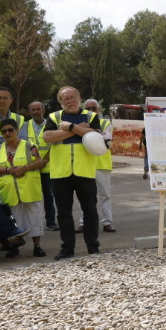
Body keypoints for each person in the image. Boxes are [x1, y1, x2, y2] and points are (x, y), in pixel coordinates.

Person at [41, 87, 103, 258]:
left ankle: (93, 247)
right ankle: (67, 249)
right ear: (60, 102)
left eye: (72, 97)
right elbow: (47, 137)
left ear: (79, 98)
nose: (69, 101)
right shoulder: (54, 117)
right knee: (63, 213)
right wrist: (75, 130)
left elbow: (96, 135)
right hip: (61, 173)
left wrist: (70, 127)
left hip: (85, 171)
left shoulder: (91, 116)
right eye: (65, 98)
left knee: (90, 211)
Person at [0, 118, 48, 256]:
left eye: (10, 129)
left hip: (29, 188)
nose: (7, 133)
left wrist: (25, 168)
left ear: (17, 130)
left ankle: (37, 246)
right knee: (14, 220)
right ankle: (15, 248)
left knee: (34, 217)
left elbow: (40, 162)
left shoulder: (29, 145)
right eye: (4, 131)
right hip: (9, 190)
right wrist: (7, 170)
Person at [82, 97, 116, 233]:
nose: (91, 111)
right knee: (83, 196)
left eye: (93, 108)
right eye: (88, 109)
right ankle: (83, 223)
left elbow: (105, 140)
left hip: (102, 165)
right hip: (84, 164)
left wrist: (86, 132)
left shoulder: (105, 123)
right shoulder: (80, 124)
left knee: (105, 195)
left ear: (99, 110)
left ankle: (107, 222)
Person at [25, 100, 57, 231]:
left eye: (38, 109)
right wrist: (36, 162)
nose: (36, 112)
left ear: (44, 110)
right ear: (29, 112)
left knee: (48, 195)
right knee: (32, 196)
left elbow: (54, 144)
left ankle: (51, 222)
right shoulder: (25, 126)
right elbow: (23, 144)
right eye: (33, 109)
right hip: (31, 167)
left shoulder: (51, 125)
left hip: (47, 167)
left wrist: (44, 160)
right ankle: (32, 223)